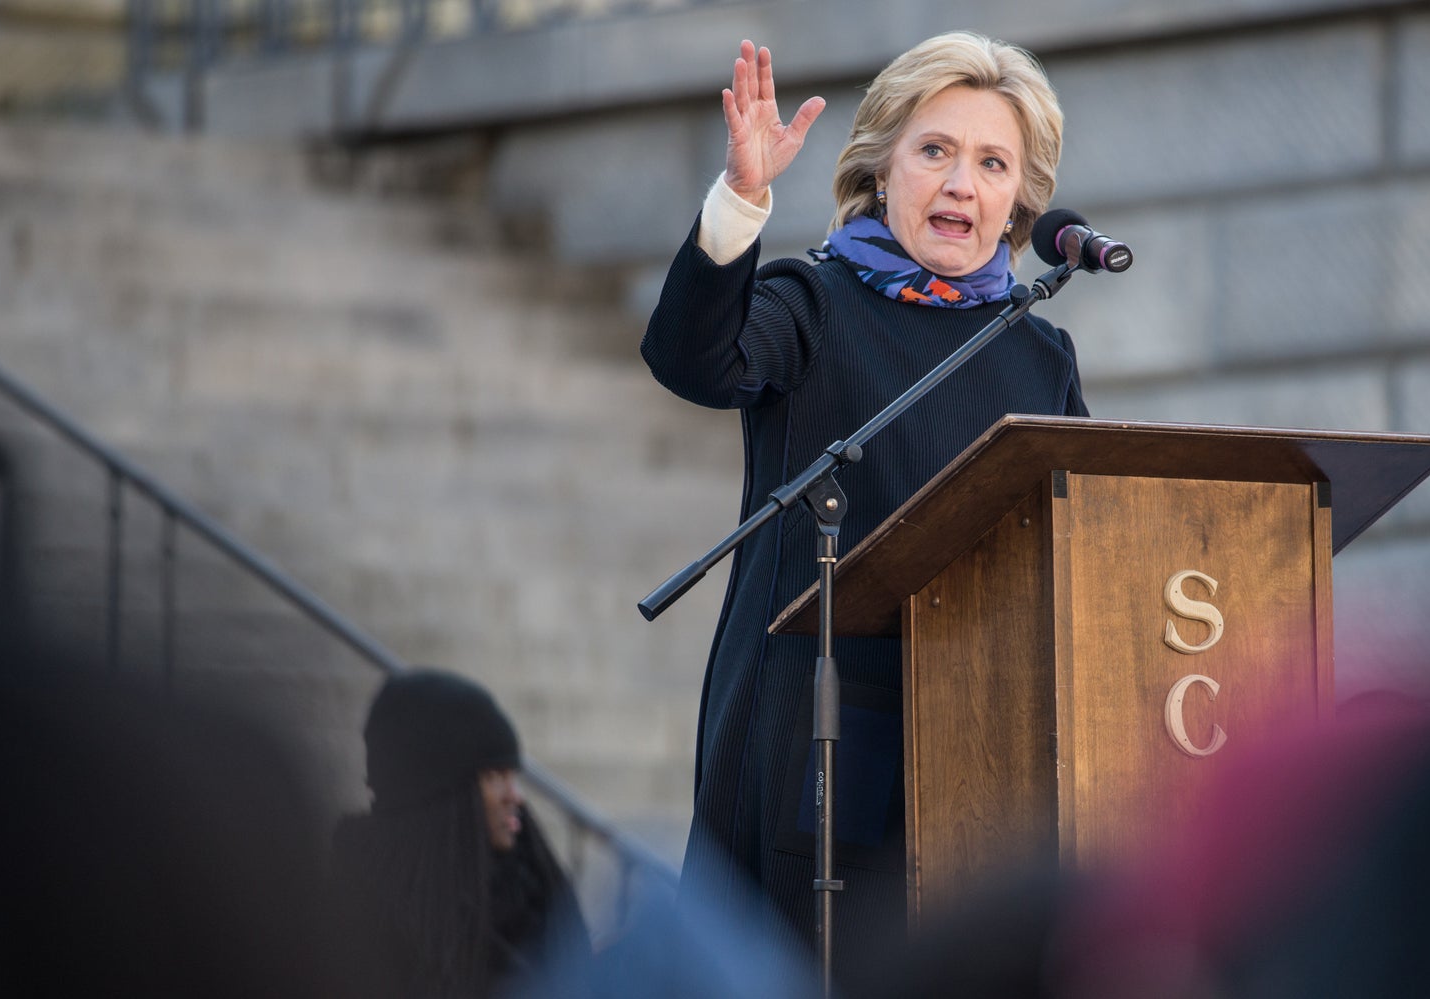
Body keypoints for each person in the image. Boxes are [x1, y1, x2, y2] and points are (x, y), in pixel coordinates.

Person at [640, 31, 1088, 977]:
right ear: (882, 171)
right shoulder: (814, 302)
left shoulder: (1039, 357)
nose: (961, 184)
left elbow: (1081, 541)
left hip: (981, 745)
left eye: (991, 163)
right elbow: (693, 359)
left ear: (1019, 201)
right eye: (935, 151)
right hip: (810, 733)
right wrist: (742, 203)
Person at [331, 668, 590, 998]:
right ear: (441, 796)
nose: (516, 796)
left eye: (512, 775)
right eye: (495, 776)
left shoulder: (538, 895)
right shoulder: (360, 917)